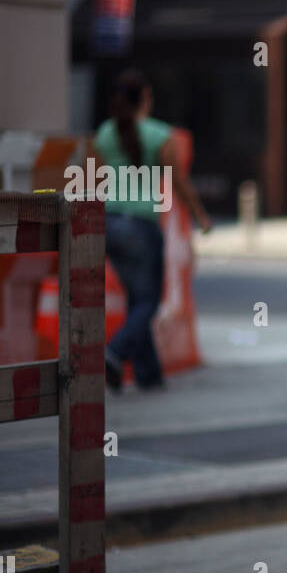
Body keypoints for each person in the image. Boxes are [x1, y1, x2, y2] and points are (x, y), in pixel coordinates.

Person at [93, 69, 211, 393]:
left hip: (109, 223)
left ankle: (147, 373)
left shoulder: (105, 133)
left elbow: (94, 178)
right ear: (145, 98)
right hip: (141, 225)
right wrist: (200, 215)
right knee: (149, 300)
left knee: (137, 297)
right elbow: (178, 182)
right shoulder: (159, 135)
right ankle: (115, 351)